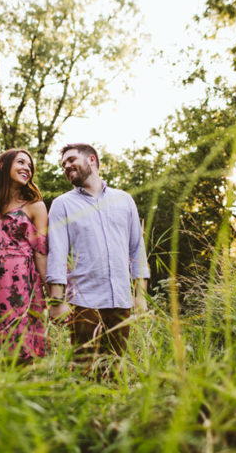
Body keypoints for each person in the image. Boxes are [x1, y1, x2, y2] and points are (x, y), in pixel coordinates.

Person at [46, 143, 150, 368]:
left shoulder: (124, 200)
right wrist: (56, 301)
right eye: (63, 164)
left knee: (115, 367)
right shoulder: (62, 205)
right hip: (84, 302)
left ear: (91, 159)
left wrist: (140, 296)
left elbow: (137, 249)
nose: (66, 166)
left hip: (121, 300)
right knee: (84, 369)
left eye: (71, 160)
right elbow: (57, 253)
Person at [0, 148, 49, 360]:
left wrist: (54, 295)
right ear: (4, 166)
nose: (27, 169)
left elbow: (41, 254)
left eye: (30, 166)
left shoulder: (35, 207)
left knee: (24, 353)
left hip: (24, 289)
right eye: (21, 163)